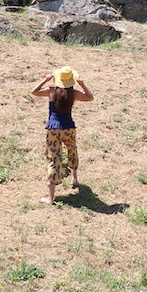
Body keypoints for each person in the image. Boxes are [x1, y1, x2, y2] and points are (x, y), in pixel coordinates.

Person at [30, 65, 94, 203]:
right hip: (69, 127)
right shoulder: (73, 93)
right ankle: (75, 178)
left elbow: (34, 91)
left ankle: (51, 197)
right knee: (72, 150)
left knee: (54, 158)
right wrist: (82, 83)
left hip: (53, 129)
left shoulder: (51, 92)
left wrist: (45, 79)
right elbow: (90, 97)